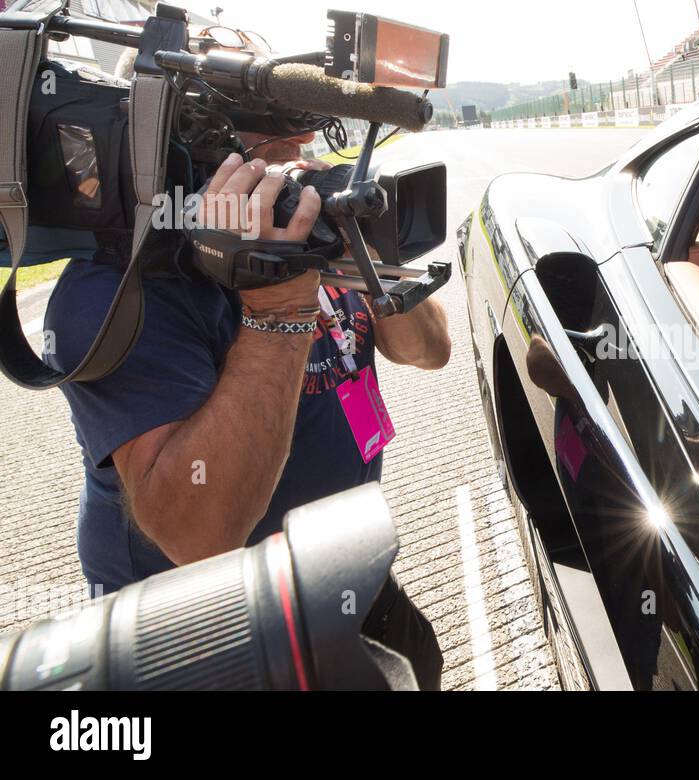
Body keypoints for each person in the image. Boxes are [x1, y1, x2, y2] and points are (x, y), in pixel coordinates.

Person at [44, 134, 451, 690]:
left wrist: (365, 243)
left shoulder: (307, 238)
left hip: (345, 576)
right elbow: (200, 537)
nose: (299, 144)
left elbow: (428, 352)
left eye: (298, 126)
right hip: (209, 632)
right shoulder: (117, 291)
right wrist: (279, 309)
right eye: (262, 125)